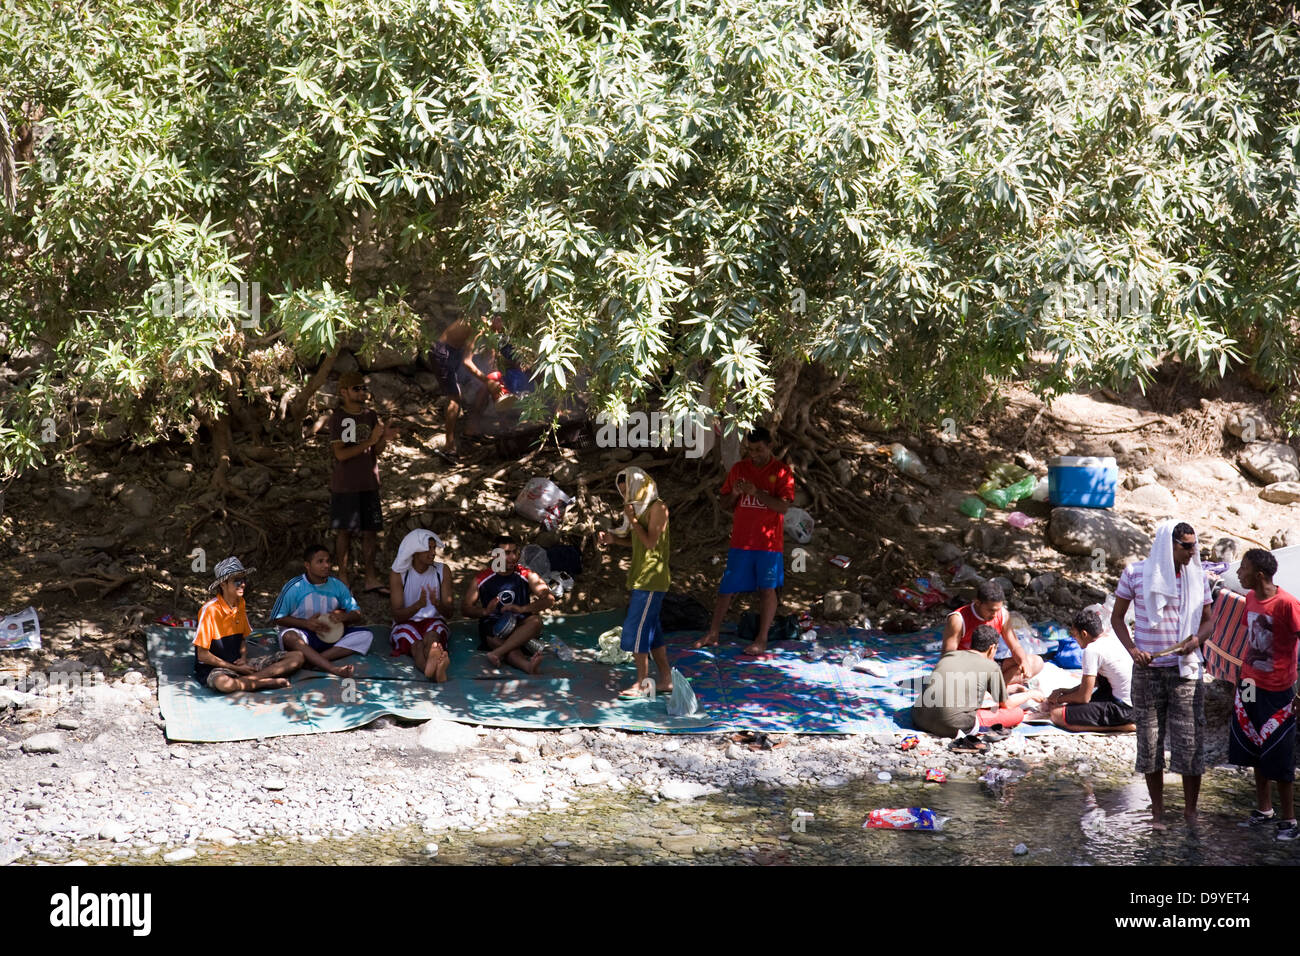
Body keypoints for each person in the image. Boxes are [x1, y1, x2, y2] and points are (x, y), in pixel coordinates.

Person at [1112, 519, 1214, 829]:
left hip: (1185, 671)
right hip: (1147, 672)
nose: (1191, 552)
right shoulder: (1135, 573)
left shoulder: (1197, 577)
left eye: (1194, 545)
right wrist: (1132, 650)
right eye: (1186, 546)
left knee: (1190, 741)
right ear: (1166, 545)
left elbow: (1208, 621)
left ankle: (1190, 812)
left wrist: (1196, 640)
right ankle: (1157, 812)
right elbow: (1117, 618)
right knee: (1150, 741)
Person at [693, 427, 795, 655]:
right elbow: (724, 504)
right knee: (726, 588)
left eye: (759, 449)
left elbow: (783, 507)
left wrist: (757, 492)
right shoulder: (739, 469)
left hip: (768, 545)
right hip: (741, 541)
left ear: (771, 445)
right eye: (749, 450)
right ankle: (713, 632)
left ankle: (762, 639)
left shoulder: (781, 472)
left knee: (767, 590)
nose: (754, 454)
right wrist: (736, 494)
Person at [1228, 548, 1300, 840]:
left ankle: (1290, 820)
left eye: (1242, 568)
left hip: (1278, 690)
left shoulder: (1287, 604)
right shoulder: (1249, 598)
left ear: (1259, 574)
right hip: (1248, 685)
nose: (1237, 573)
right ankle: (1264, 809)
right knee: (1253, 747)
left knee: (1280, 754)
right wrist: (1240, 676)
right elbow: (1253, 640)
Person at [597, 467, 672, 698]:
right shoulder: (640, 510)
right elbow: (637, 542)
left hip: (652, 577)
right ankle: (666, 679)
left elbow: (650, 542)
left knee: (636, 628)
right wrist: (614, 539)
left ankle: (642, 683)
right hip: (642, 576)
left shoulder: (658, 507)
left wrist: (631, 519)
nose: (627, 497)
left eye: (628, 490)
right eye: (623, 493)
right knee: (653, 631)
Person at [193, 557, 303, 692]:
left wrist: (243, 658)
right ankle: (264, 682)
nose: (243, 584)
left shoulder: (241, 603)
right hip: (216, 668)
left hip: (239, 664)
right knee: (224, 684)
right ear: (223, 584)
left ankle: (251, 680)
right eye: (236, 581)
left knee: (297, 657)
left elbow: (243, 639)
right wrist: (236, 668)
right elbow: (202, 655)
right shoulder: (210, 610)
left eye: (243, 580)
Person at [329, 371, 394, 595]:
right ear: (344, 392)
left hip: (369, 482)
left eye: (363, 388)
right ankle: (343, 576)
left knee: (370, 531)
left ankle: (370, 577)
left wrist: (383, 437)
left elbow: (376, 450)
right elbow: (341, 454)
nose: (362, 392)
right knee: (344, 531)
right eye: (356, 388)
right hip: (346, 484)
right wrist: (371, 440)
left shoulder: (371, 415)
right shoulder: (338, 417)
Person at [267, 545, 371, 677]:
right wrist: (306, 624)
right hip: (304, 635)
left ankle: (313, 660)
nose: (326, 565)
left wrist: (345, 617)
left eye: (328, 561)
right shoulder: (295, 586)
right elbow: (276, 617)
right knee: (289, 637)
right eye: (320, 561)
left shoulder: (337, 585)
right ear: (307, 565)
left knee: (366, 635)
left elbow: (357, 614)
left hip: (332, 634)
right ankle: (332, 668)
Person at [912, 625, 1023, 744]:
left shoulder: (950, 656)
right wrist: (1031, 694)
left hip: (919, 718)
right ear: (992, 648)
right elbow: (1007, 705)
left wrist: (1012, 688)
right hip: (950, 726)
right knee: (1017, 713)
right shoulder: (991, 666)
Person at [462, 534, 554, 674]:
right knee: (507, 645)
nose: (513, 557)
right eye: (506, 553)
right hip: (494, 629)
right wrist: (485, 612)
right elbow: (465, 609)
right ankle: (526, 666)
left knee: (535, 621)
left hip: (521, 626)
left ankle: (497, 653)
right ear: (495, 556)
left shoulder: (526, 574)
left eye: (515, 552)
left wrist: (523, 609)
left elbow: (549, 599)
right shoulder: (481, 578)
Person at [1044, 608, 1135, 733]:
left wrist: (1058, 700)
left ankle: (1123, 726)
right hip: (1136, 702)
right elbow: (1095, 683)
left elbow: (1084, 697)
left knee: (1056, 714)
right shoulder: (1112, 638)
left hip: (1124, 709)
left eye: (1075, 635)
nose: (1075, 639)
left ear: (1084, 634)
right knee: (1073, 706)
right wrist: (1066, 692)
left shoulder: (1092, 650)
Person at [428, 316, 505, 457]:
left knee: (482, 385)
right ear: (494, 319)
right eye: (500, 323)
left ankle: (472, 430)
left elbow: (490, 361)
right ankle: (449, 445)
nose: (502, 328)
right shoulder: (479, 324)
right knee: (454, 396)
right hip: (442, 352)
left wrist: (494, 380)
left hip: (457, 352)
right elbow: (467, 362)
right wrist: (488, 381)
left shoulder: (493, 331)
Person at [940, 580, 1043, 685]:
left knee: (1037, 662)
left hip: (990, 665)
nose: (995, 614)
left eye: (998, 610)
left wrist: (1023, 662)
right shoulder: (958, 619)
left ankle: (993, 688)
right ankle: (994, 689)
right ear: (977, 602)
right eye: (991, 610)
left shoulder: (1003, 615)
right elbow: (948, 657)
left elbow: (1015, 646)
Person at [389, 528, 455, 682]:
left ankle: (433, 666)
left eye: (434, 548)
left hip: (434, 622)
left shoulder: (442, 571)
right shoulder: (399, 573)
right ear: (415, 551)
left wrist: (437, 604)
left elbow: (450, 613)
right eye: (428, 548)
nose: (433, 552)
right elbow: (397, 616)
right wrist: (417, 606)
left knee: (433, 638)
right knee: (417, 645)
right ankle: (434, 670)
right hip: (405, 623)